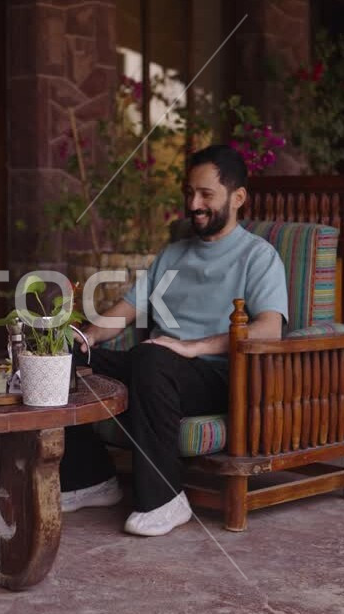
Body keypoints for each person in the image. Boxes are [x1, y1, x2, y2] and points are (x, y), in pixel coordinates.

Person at [61, 144, 288, 537]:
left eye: (206, 194)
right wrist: (88, 336)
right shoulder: (174, 252)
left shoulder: (259, 256)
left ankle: (165, 499)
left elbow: (270, 328)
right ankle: (92, 478)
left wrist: (193, 347)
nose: (194, 204)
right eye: (189, 193)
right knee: (61, 356)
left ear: (237, 198)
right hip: (158, 365)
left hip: (216, 375)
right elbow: (128, 308)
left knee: (152, 359)